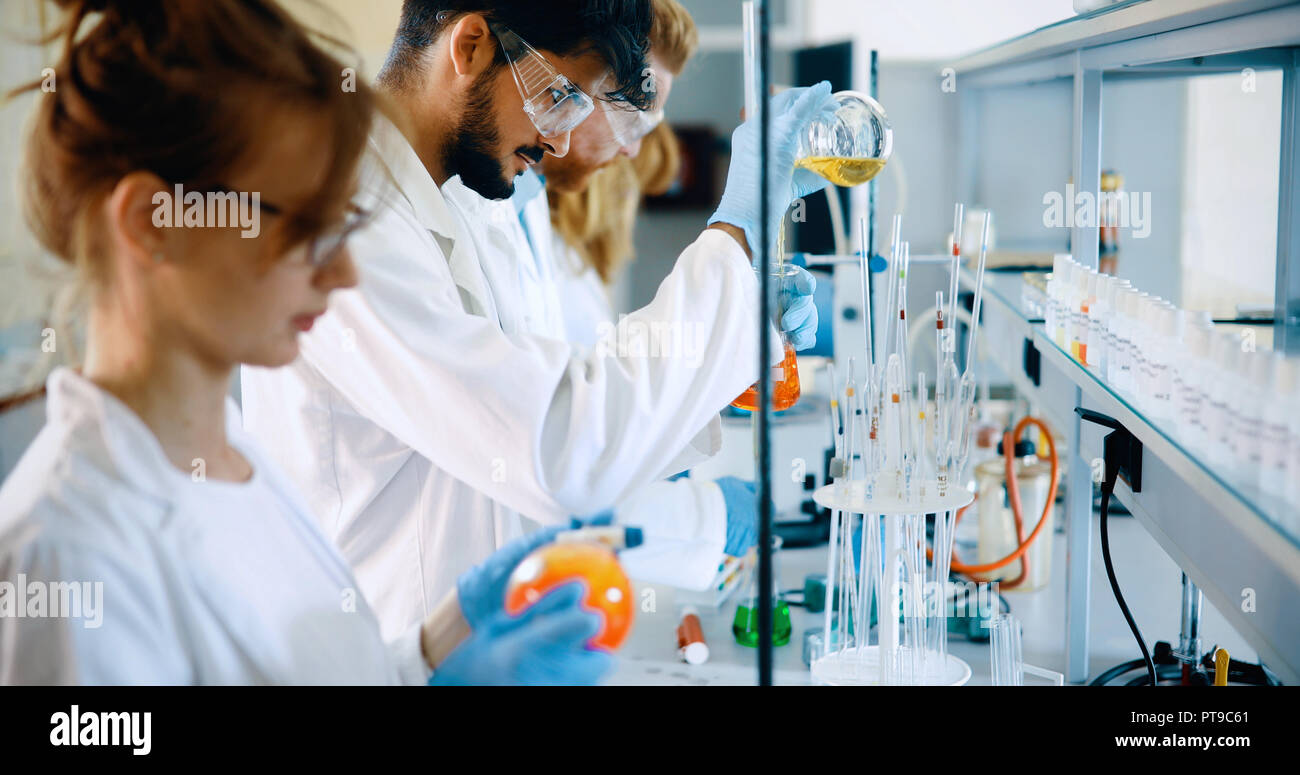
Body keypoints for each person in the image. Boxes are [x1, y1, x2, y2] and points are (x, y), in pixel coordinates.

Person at [0, 0, 608, 686]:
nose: (343, 271)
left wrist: (433, 652)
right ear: (153, 222)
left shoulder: (234, 456)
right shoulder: (69, 551)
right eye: (304, 227)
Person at [241, 0, 838, 638]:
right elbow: (558, 445)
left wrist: (738, 325)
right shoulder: (351, 220)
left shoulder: (465, 206)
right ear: (470, 45)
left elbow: (562, 389)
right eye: (560, 98)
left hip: (473, 643)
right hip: (382, 646)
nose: (558, 140)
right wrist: (734, 238)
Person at [496, 0, 774, 588]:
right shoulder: (484, 212)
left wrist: (714, 372)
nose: (630, 153)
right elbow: (563, 455)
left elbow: (600, 412)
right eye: (632, 120)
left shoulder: (523, 215)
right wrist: (707, 516)